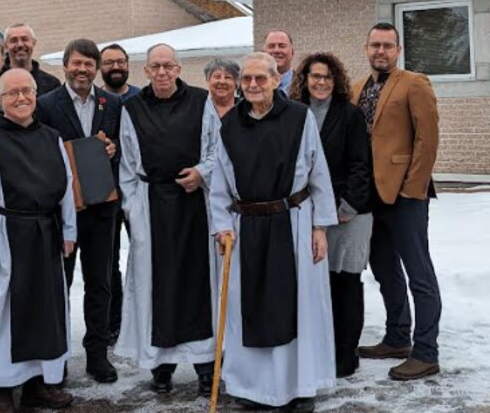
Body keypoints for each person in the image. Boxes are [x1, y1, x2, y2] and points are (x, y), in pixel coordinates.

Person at [211, 52, 335, 413]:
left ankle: (300, 386)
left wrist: (320, 227)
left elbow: (319, 174)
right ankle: (252, 388)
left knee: (297, 308)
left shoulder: (299, 118)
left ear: (275, 79)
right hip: (246, 228)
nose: (252, 85)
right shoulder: (230, 125)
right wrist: (221, 226)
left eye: (260, 79)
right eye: (246, 79)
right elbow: (219, 182)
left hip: (292, 223)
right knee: (246, 310)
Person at [0, 69, 77, 413]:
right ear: (0, 99)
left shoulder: (51, 136)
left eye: (27, 91)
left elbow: (66, 187)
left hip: (45, 236)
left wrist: (68, 231)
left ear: (36, 95)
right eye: (13, 93)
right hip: (5, 237)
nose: (21, 98)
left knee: (45, 313)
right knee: (3, 316)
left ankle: (40, 385)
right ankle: (4, 390)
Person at [116, 44, 220, 396]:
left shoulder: (201, 101)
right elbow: (128, 166)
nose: (162, 73)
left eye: (168, 66)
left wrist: (203, 174)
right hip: (153, 206)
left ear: (178, 69)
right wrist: (134, 210)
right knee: (158, 288)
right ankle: (162, 366)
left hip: (194, 206)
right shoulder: (132, 108)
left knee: (197, 285)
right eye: (155, 67)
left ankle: (206, 366)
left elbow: (216, 150)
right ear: (145, 71)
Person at [352, 22, 441, 382]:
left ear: (398, 50)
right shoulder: (358, 88)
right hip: (371, 198)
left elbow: (427, 140)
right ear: (366, 48)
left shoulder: (414, 84)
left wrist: (412, 189)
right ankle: (396, 337)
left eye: (388, 45)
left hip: (406, 196)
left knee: (419, 274)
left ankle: (426, 352)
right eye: (375, 45)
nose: (381, 51)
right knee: (385, 270)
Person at [35, 39, 122, 383]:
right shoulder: (46, 105)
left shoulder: (112, 103)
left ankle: (97, 355)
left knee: (100, 283)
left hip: (102, 209)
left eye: (89, 64)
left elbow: (121, 148)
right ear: (65, 66)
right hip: (62, 210)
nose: (82, 70)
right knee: (60, 282)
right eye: (76, 63)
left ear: (97, 67)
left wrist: (112, 149)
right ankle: (56, 358)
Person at [290, 52, 374, 378]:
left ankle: (345, 354)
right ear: (305, 80)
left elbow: (361, 164)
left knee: (346, 282)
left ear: (335, 80)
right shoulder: (295, 115)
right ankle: (321, 348)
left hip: (348, 214)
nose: (321, 82)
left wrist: (347, 206)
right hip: (309, 213)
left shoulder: (349, 115)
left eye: (327, 77)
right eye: (315, 76)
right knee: (317, 284)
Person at [99, 43, 136, 342]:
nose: (115, 67)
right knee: (109, 261)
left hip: (138, 190)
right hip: (106, 191)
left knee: (143, 254)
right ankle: (115, 321)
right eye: (109, 62)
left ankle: (141, 317)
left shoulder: (141, 99)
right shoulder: (97, 102)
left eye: (120, 61)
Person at [0, 23, 60, 96]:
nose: (20, 45)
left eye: (25, 39)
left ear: (33, 43)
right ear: (6, 46)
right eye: (14, 40)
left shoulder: (51, 84)